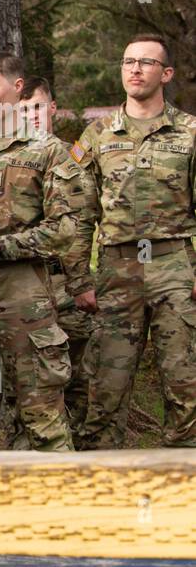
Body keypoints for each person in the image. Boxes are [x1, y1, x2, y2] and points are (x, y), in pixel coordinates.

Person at [0, 53, 87, 453]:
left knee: (41, 412)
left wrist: (5, 245)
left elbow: (66, 229)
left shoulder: (48, 152)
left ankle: (57, 506)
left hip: (24, 291)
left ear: (17, 87)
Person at [78, 34, 196, 448]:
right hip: (117, 271)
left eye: (146, 62)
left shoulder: (189, 132)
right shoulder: (96, 135)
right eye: (128, 61)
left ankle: (183, 483)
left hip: (174, 269)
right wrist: (81, 280)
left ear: (165, 74)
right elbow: (80, 214)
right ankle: (106, 489)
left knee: (185, 384)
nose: (135, 69)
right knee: (106, 387)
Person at [12, 77, 99, 434]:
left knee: (76, 376)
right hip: (24, 282)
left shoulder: (76, 156)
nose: (32, 115)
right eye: (23, 109)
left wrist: (81, 281)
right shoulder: (7, 157)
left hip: (67, 283)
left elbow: (86, 218)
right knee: (25, 376)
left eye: (37, 107)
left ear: (51, 108)